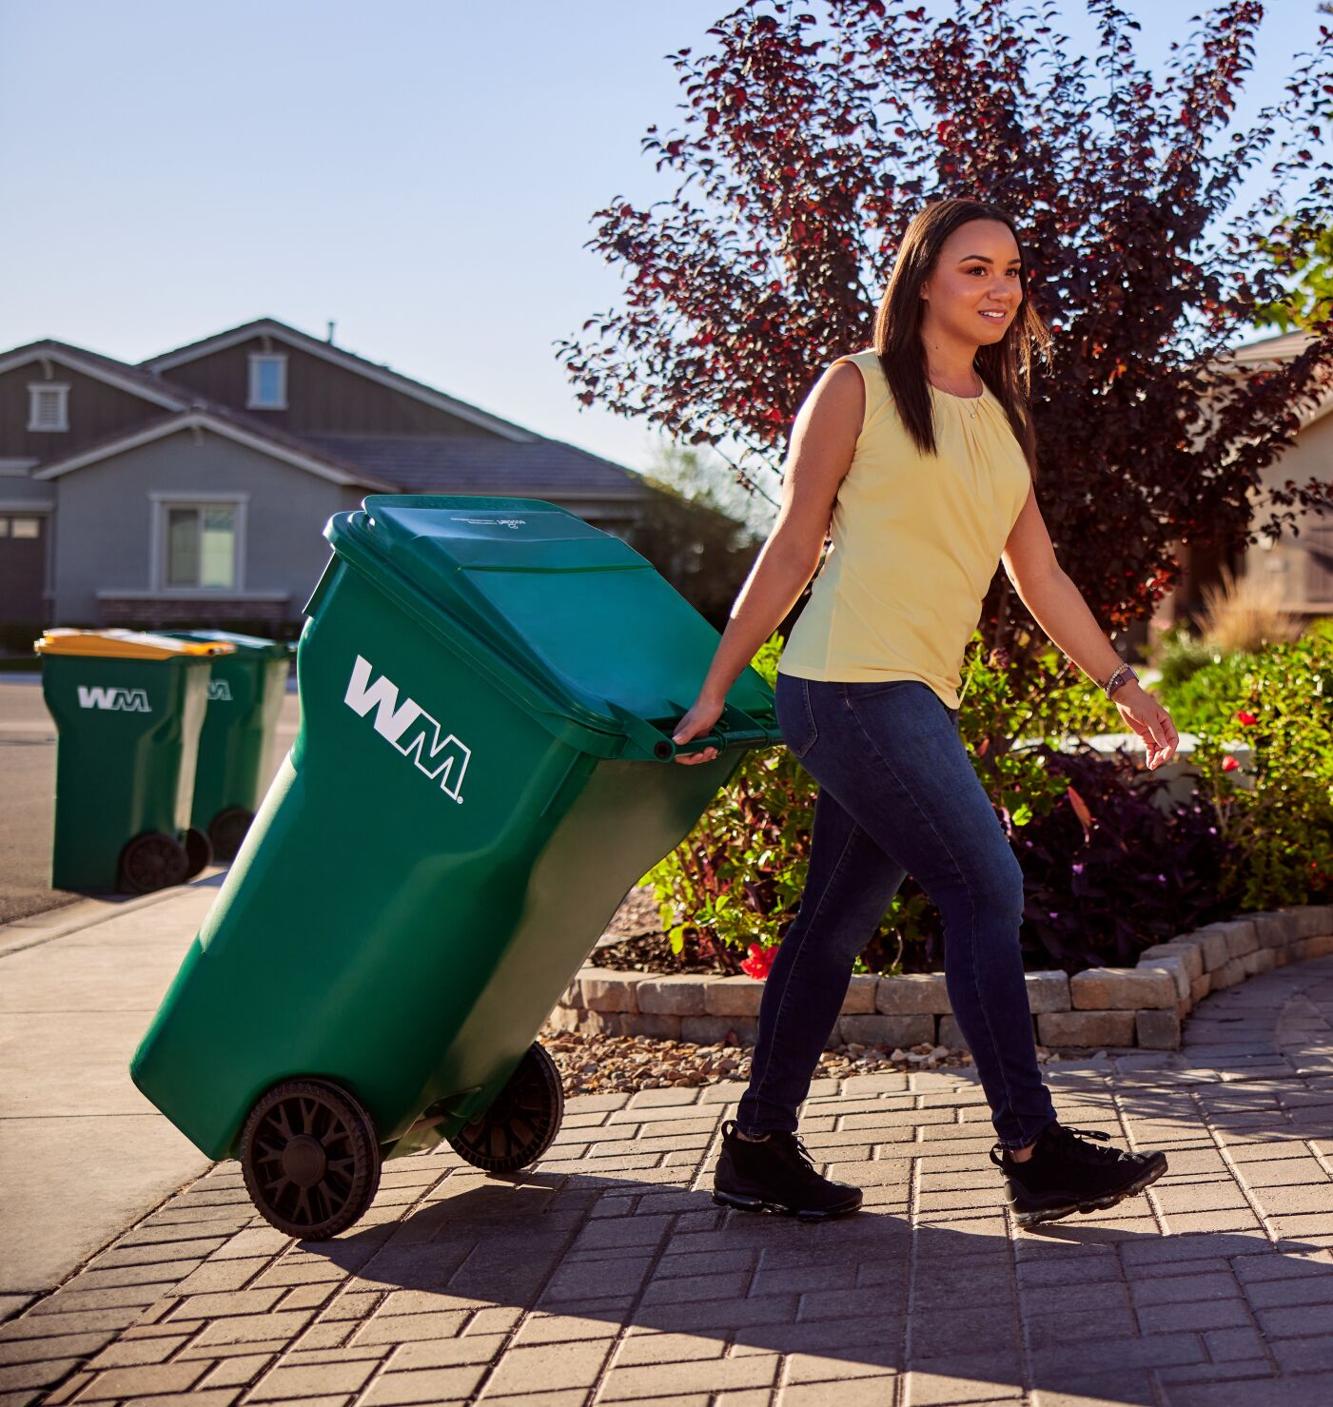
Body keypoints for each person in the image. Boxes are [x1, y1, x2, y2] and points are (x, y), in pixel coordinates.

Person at [668, 196, 1179, 1228]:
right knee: (983, 884)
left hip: (909, 694)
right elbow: (795, 542)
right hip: (845, 682)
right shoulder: (855, 386)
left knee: (830, 927)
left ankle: (757, 1147)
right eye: (973, 268)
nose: (999, 288)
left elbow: (1038, 575)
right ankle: (1032, 1148)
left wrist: (1122, 684)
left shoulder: (999, 419)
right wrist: (719, 682)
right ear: (923, 278)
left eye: (1011, 271)